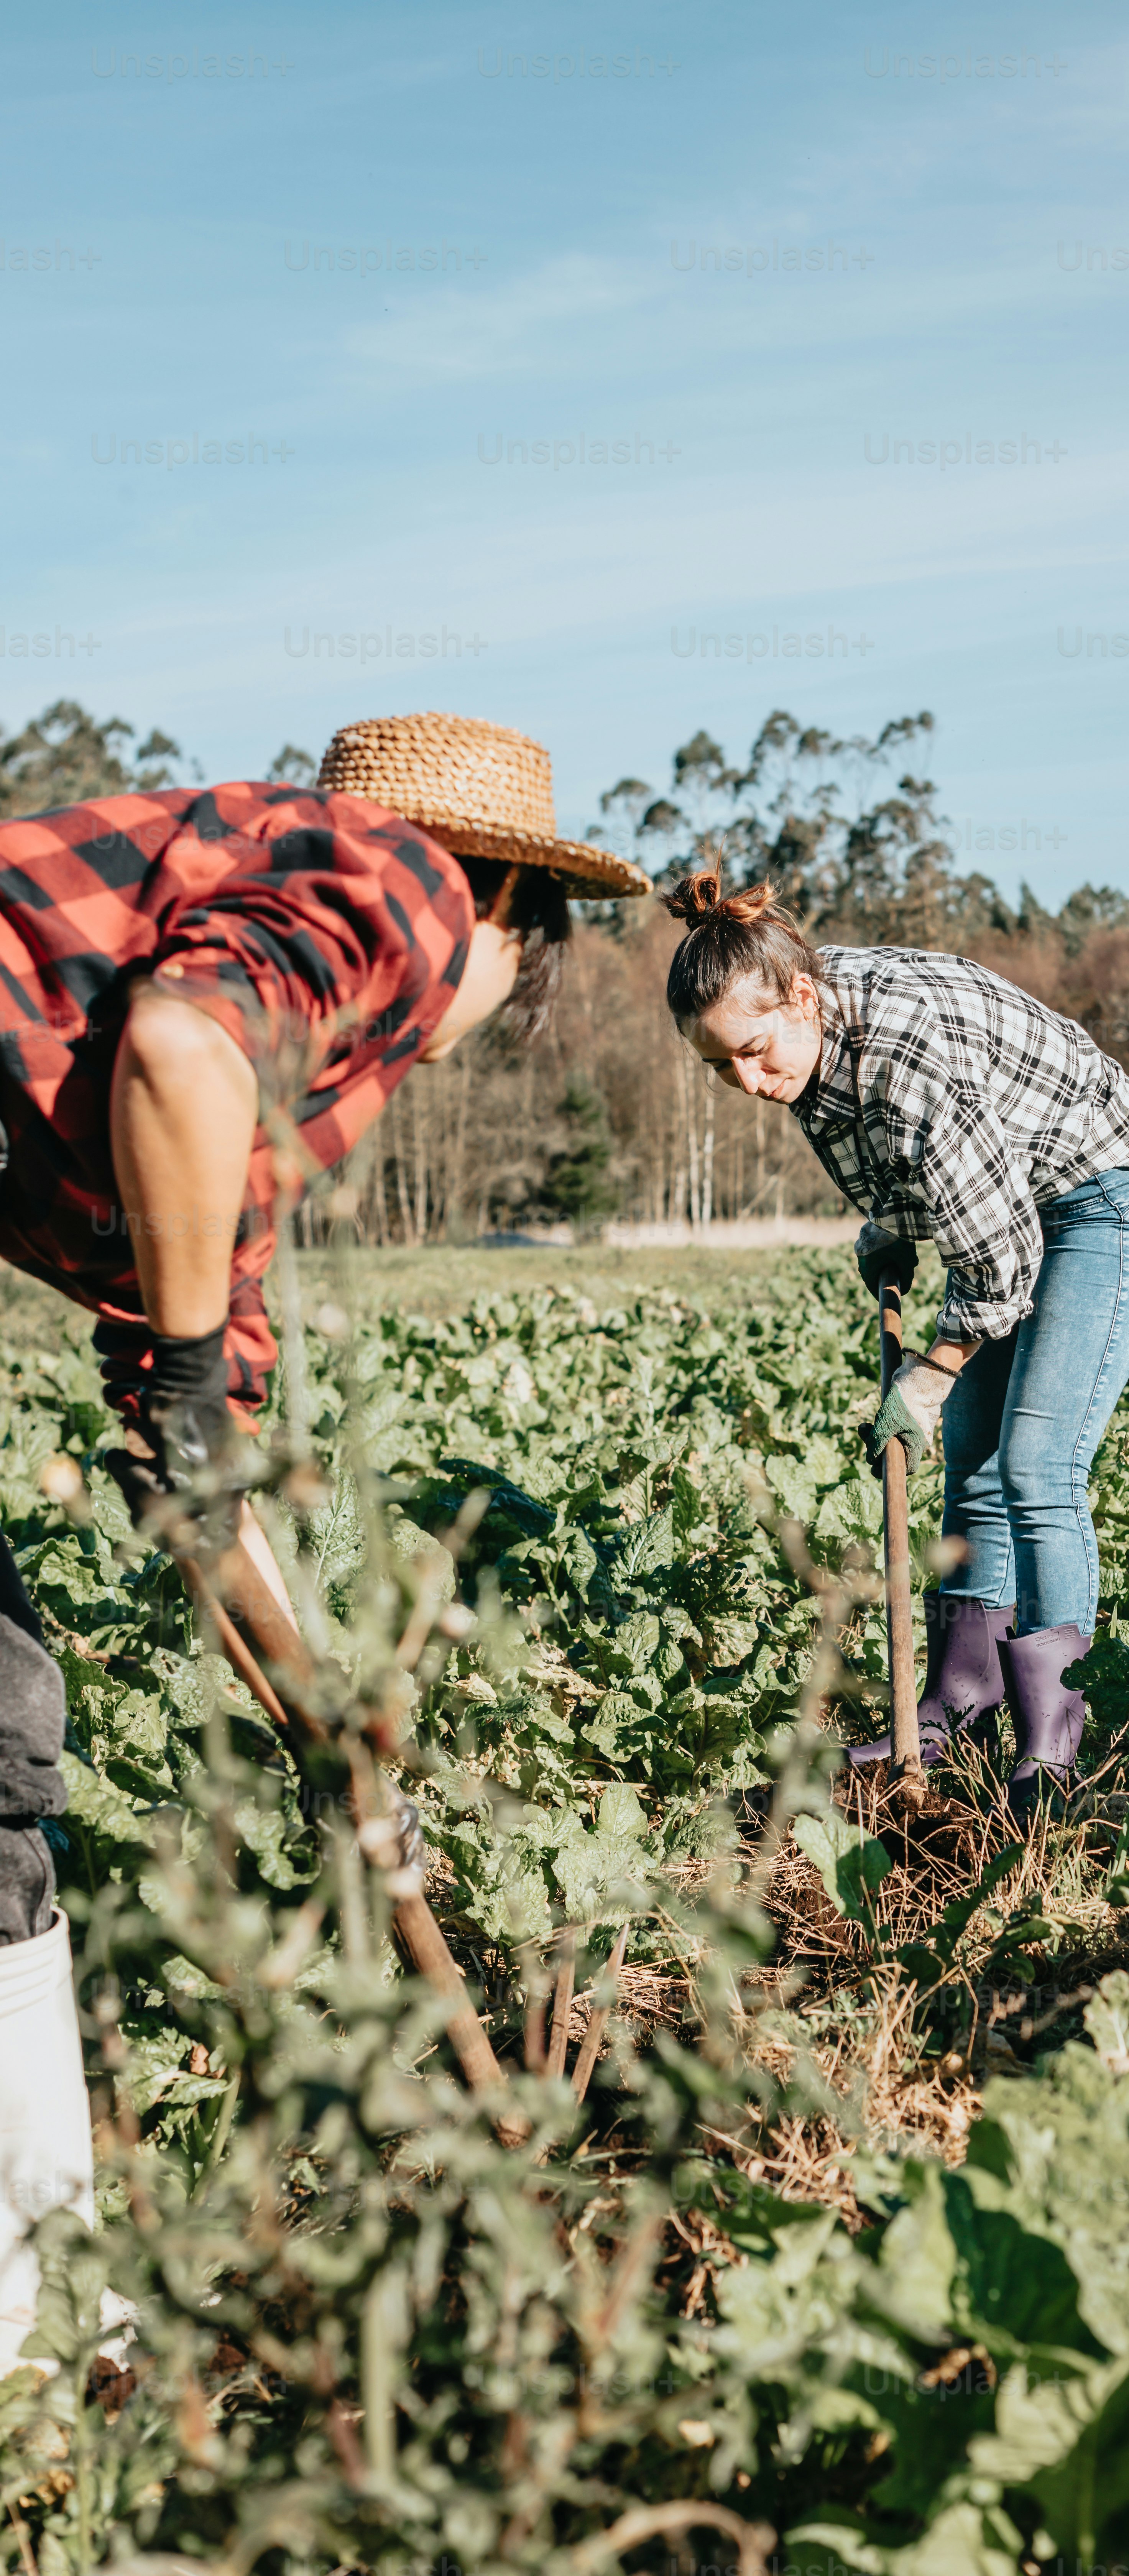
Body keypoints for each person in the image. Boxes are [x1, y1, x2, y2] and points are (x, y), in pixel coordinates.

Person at [0, 710, 647, 2372]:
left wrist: (327, 1737)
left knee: (3, 1749)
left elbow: (184, 1447)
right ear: (516, 910)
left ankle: (36, 2307)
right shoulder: (414, 895)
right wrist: (205, 1380)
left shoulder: (265, 1070)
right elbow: (175, 1057)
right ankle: (37, 2321)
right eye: (543, 961)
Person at [664, 868, 1129, 1817]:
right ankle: (954, 1711)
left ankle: (1052, 1754)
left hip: (1106, 1196)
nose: (745, 1082)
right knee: (974, 1470)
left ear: (802, 998)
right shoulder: (813, 1036)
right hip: (1014, 1203)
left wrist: (932, 1372)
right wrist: (891, 1223)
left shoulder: (903, 1058)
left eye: (750, 1050)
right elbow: (921, 1174)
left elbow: (998, 1262)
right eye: (717, 1068)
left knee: (1036, 1464)